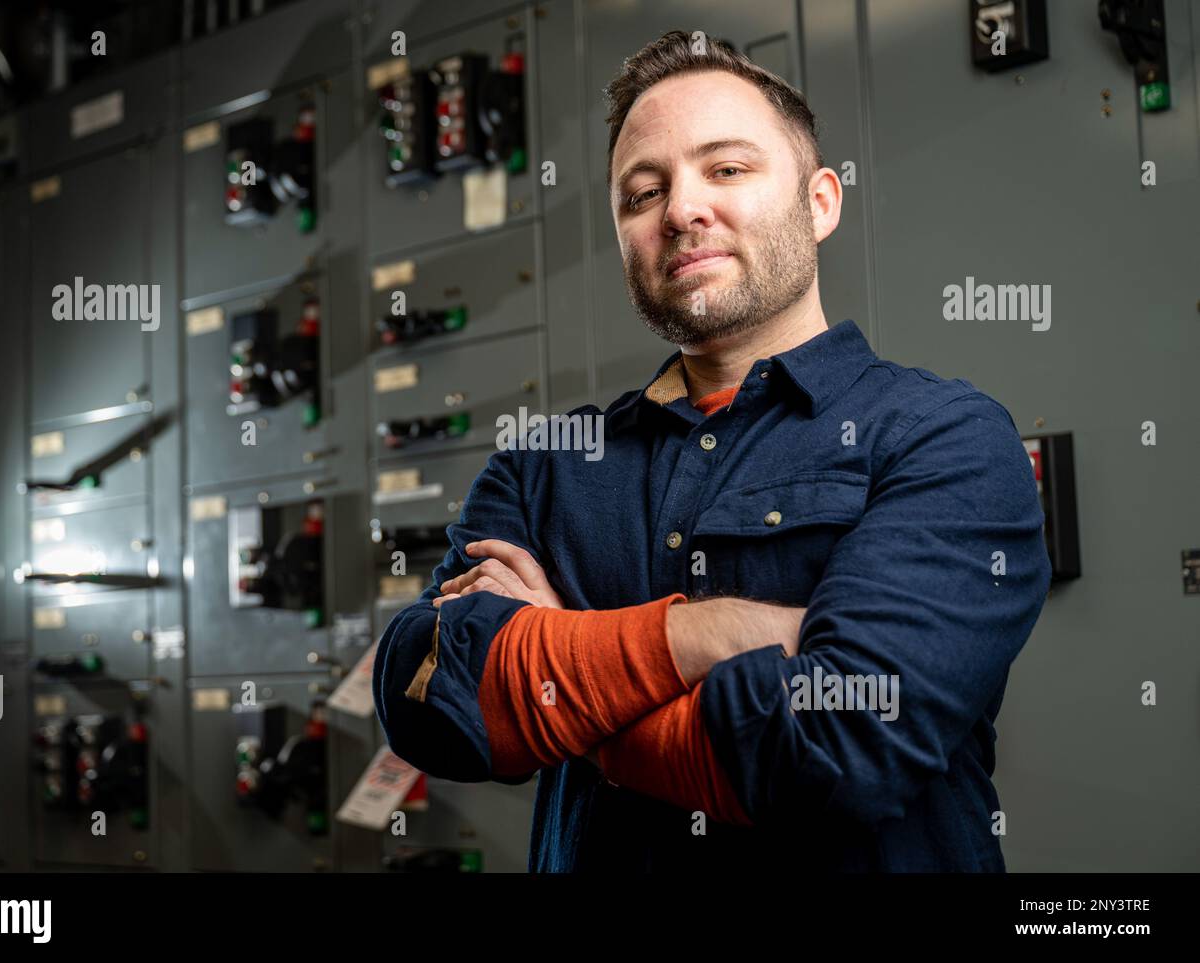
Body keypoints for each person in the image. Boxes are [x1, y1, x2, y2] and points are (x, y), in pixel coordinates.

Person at [374, 30, 1050, 872]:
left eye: (727, 169)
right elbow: (429, 699)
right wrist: (706, 636)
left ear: (821, 203)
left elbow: (841, 745)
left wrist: (565, 674)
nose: (682, 210)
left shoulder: (944, 438)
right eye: (642, 192)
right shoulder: (545, 465)